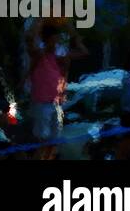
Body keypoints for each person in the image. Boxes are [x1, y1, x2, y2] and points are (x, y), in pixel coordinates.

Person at [24, 19, 87, 160]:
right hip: (41, 102)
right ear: (46, 40)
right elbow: (29, 38)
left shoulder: (60, 55)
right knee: (42, 141)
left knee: (54, 142)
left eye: (57, 39)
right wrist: (40, 21)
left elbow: (83, 52)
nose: (56, 42)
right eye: (54, 39)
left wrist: (74, 34)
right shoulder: (38, 53)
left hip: (57, 102)